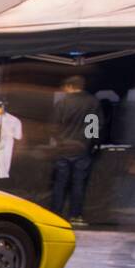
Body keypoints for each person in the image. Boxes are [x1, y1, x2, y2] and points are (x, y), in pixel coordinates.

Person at [50, 75, 99, 226]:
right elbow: (94, 126)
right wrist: (90, 144)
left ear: (70, 86)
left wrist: (60, 141)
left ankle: (55, 215)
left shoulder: (62, 102)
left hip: (64, 148)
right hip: (82, 149)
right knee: (79, 184)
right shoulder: (92, 102)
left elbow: (54, 126)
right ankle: (75, 215)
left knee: (60, 183)